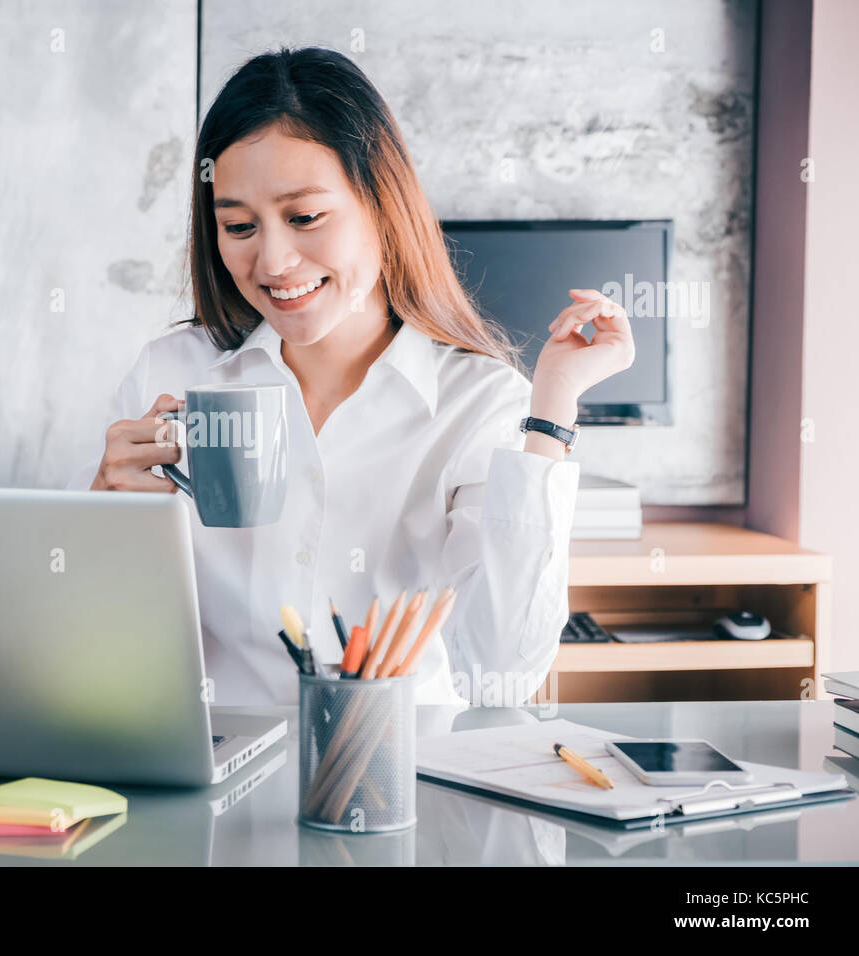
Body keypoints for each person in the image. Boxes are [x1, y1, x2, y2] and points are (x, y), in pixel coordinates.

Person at [69, 47, 635, 706]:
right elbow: (100, 654)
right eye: (238, 226)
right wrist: (103, 524)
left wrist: (552, 411)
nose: (274, 260)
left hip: (403, 774)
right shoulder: (172, 374)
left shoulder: (476, 403)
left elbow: (500, 669)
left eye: (305, 217)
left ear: (382, 205)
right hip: (219, 767)